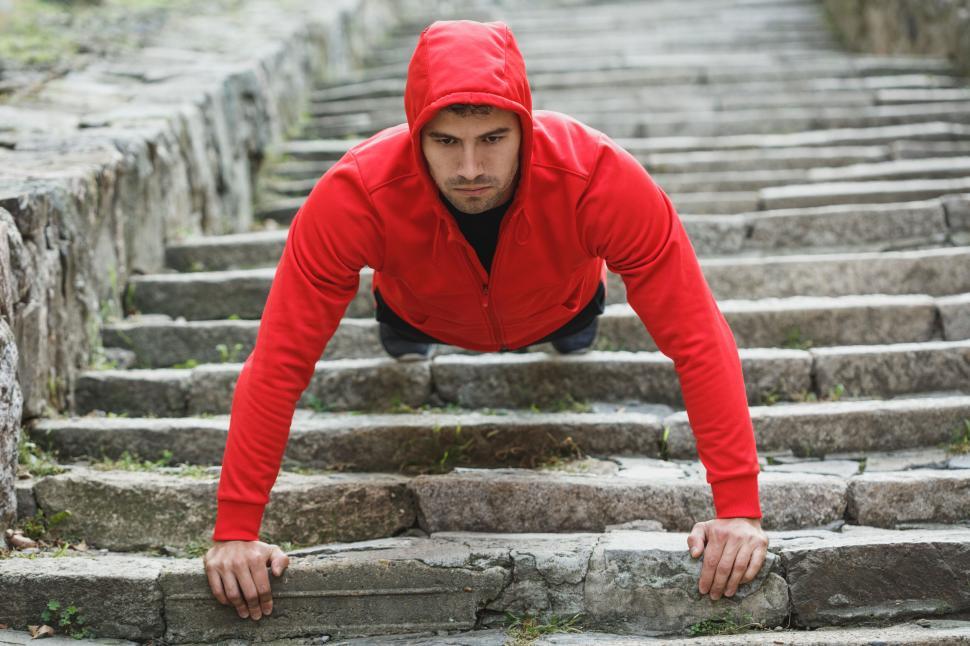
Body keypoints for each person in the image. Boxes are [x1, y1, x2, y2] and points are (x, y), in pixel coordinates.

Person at [203, 19, 768, 623]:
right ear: (416, 133)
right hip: (416, 314)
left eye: (493, 138)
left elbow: (698, 337)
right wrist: (237, 528)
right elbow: (281, 359)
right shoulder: (355, 195)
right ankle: (406, 332)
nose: (471, 167)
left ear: (526, 124)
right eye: (447, 142)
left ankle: (572, 322)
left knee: (575, 331)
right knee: (403, 338)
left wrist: (738, 508)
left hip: (562, 307)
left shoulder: (600, 178)